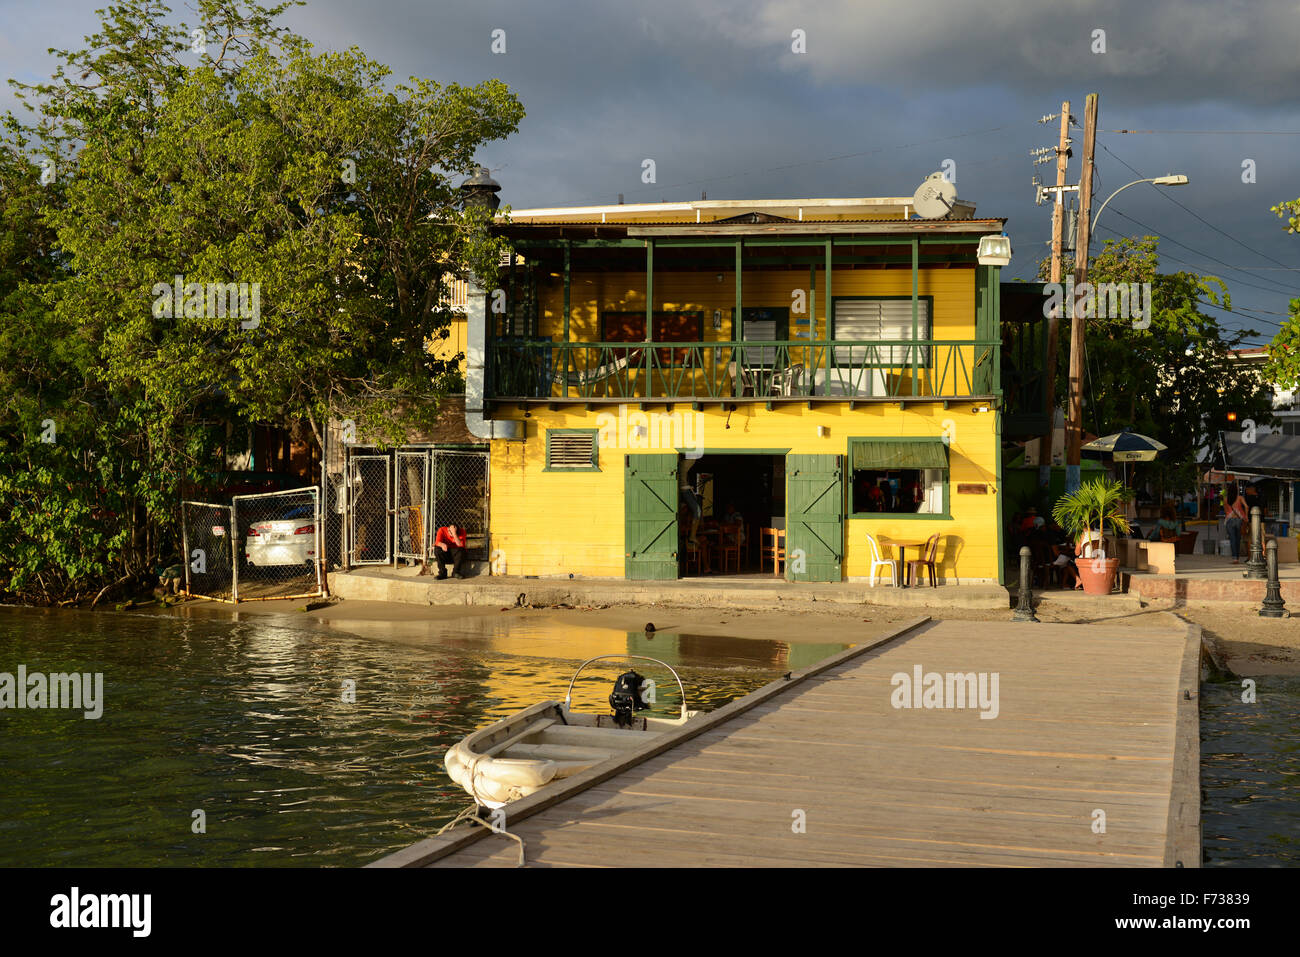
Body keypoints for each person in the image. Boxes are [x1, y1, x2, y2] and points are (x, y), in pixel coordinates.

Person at [679, 459, 701, 544]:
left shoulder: (682, 464)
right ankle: (692, 536)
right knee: (698, 511)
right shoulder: (684, 464)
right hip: (684, 489)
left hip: (684, 489)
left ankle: (692, 536)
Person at [1225, 487, 1248, 563]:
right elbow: (1246, 506)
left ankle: (1235, 558)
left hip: (1229, 520)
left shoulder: (1225, 499)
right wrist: (1246, 516)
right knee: (1238, 539)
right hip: (1239, 520)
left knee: (1232, 539)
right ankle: (1237, 557)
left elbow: (1225, 510)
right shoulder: (1240, 498)